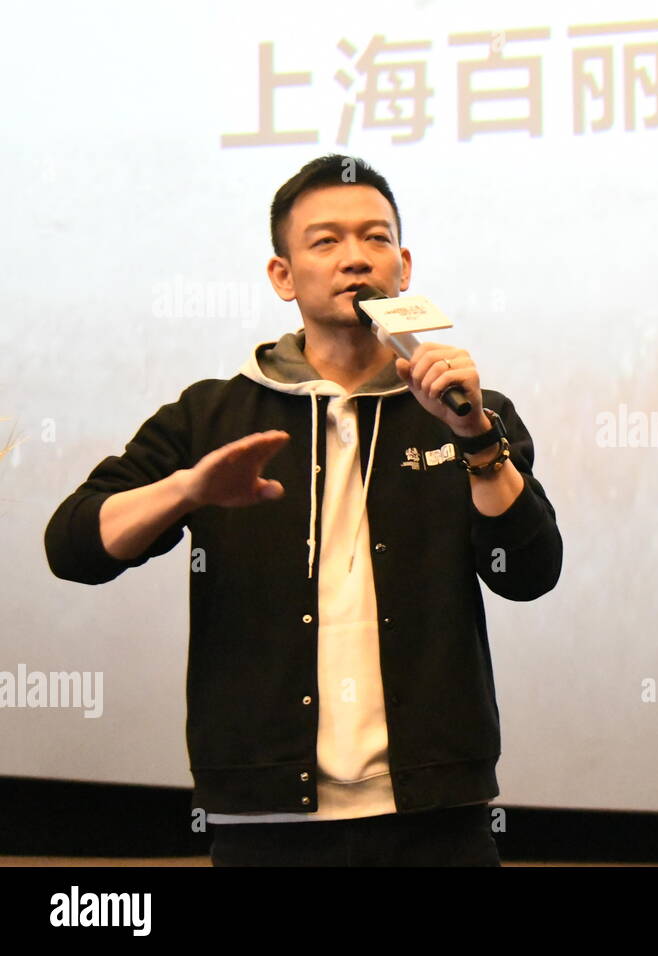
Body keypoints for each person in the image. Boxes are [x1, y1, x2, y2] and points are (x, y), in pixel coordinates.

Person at [44, 154, 562, 866]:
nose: (356, 258)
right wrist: (187, 491)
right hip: (265, 817)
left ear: (404, 267)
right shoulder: (213, 414)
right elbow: (72, 547)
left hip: (438, 811)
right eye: (326, 241)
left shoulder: (470, 411)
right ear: (282, 276)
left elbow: (530, 574)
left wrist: (475, 438)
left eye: (376, 238)